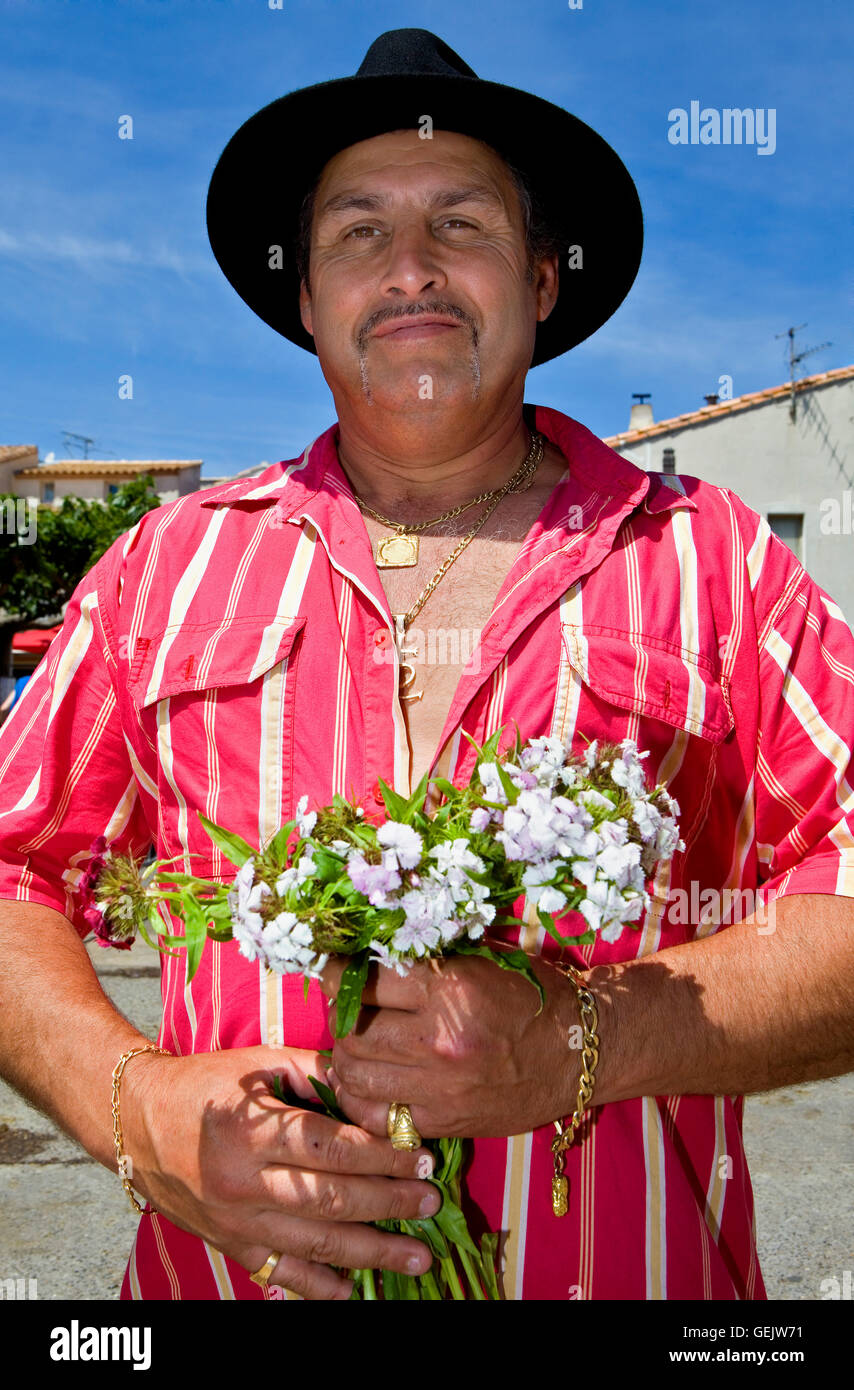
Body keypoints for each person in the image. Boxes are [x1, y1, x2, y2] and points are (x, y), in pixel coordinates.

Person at [0, 28, 852, 1302]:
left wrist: (587, 1036)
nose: (408, 270)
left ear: (542, 279)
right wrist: (138, 1110)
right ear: (305, 296)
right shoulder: (161, 568)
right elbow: (14, 870)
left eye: (460, 223)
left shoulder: (711, 560)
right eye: (356, 231)